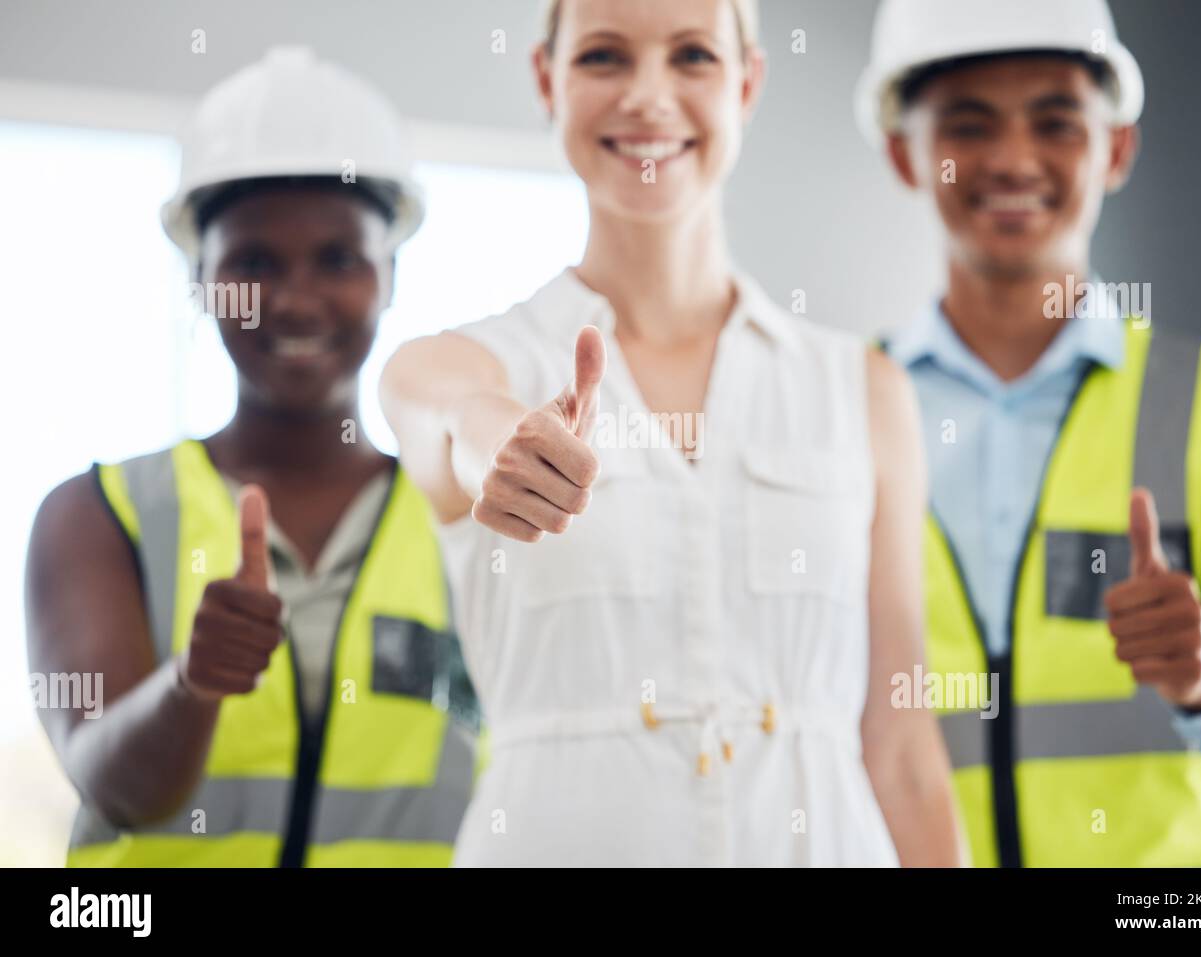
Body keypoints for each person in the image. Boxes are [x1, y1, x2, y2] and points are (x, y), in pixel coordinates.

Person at [380, 0, 962, 867]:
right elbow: (436, 410)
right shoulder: (464, 363)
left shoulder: (862, 390)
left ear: (747, 82)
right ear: (548, 78)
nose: (648, 98)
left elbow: (902, 749)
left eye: (692, 56)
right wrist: (491, 435)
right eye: (605, 57)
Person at [859, 0, 1201, 865]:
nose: (1014, 159)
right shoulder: (835, 409)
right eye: (968, 123)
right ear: (905, 154)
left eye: (1055, 121)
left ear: (1118, 147)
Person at [25, 47, 480, 867]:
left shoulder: (469, 520)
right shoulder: (98, 513)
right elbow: (114, 785)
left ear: (391, 275)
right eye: (254, 263)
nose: (297, 297)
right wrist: (192, 682)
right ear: (200, 280)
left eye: (339, 258)